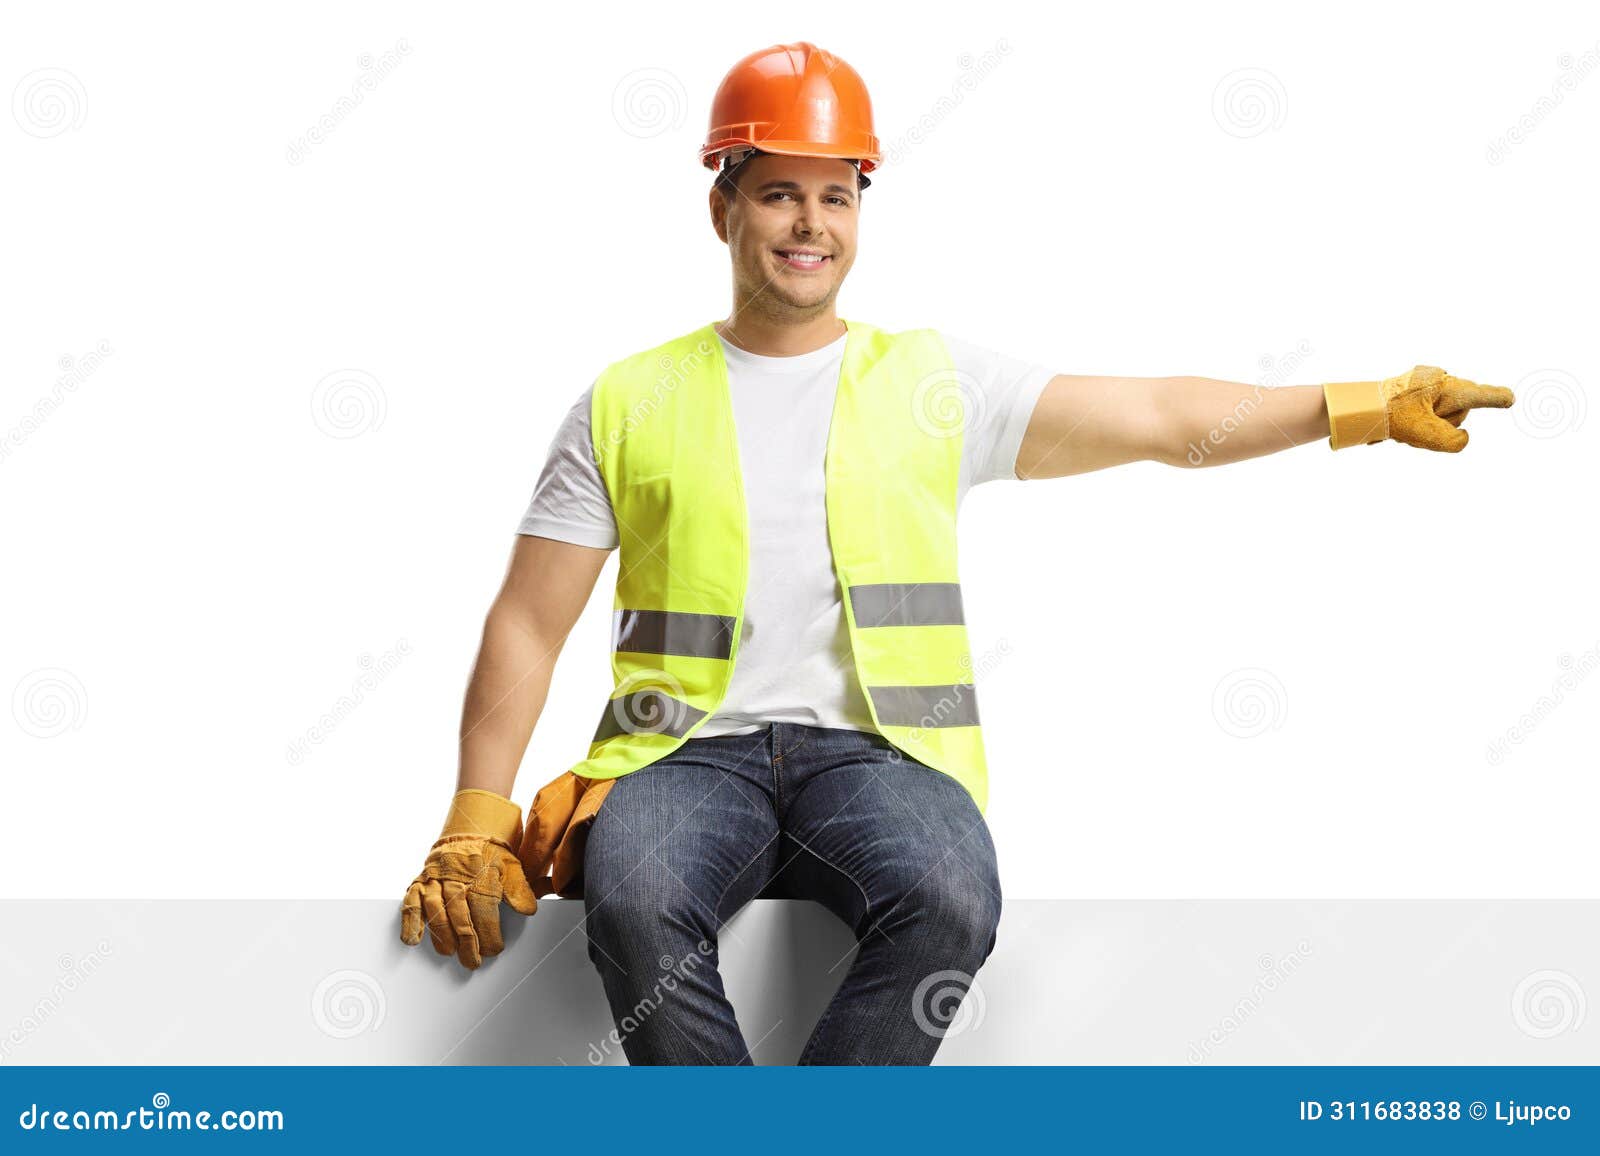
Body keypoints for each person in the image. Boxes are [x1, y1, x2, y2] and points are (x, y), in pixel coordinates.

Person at [400, 41, 1516, 1065]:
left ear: (857, 212)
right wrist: (473, 814)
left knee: (947, 900)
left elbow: (1169, 417)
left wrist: (1365, 403)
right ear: (722, 206)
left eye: (834, 195)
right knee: (635, 906)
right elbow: (528, 618)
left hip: (883, 758)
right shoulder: (629, 399)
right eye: (779, 191)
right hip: (680, 757)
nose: (808, 222)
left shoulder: (934, 383)